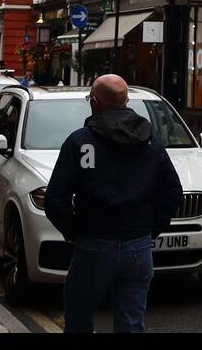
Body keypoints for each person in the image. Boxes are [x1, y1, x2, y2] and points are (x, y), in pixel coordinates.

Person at [45, 74, 182, 333]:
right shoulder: (150, 140)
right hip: (138, 245)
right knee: (131, 324)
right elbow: (172, 190)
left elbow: (55, 199)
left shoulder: (81, 142)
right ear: (126, 101)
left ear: (95, 103)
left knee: (78, 319)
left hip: (94, 243)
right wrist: (152, 228)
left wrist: (75, 231)